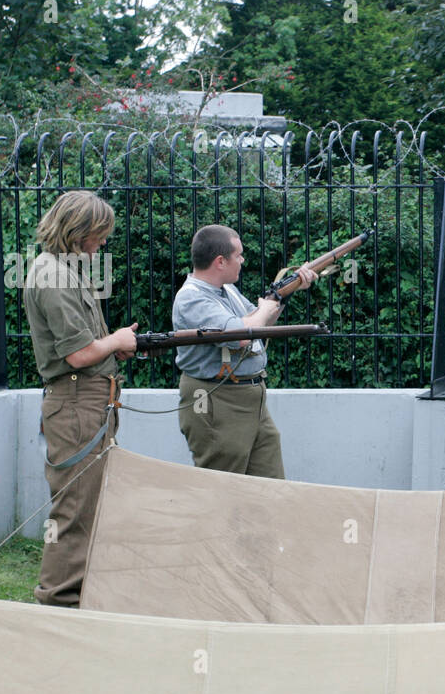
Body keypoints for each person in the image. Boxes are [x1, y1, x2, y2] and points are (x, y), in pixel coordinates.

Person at [24, 190, 137, 607]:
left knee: (92, 505)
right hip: (76, 403)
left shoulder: (65, 270)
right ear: (78, 231)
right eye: (99, 234)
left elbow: (90, 345)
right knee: (74, 510)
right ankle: (58, 603)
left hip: (90, 400)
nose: (103, 242)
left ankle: (79, 596)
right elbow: (77, 354)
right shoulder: (52, 275)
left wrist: (114, 344)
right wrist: (114, 341)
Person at [172, 225, 316, 478]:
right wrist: (267, 306)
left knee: (269, 488)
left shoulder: (226, 290)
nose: (242, 260)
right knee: (222, 489)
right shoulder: (191, 298)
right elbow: (238, 336)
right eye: (238, 255)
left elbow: (258, 323)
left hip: (251, 398)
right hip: (217, 400)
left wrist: (286, 293)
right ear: (220, 261)